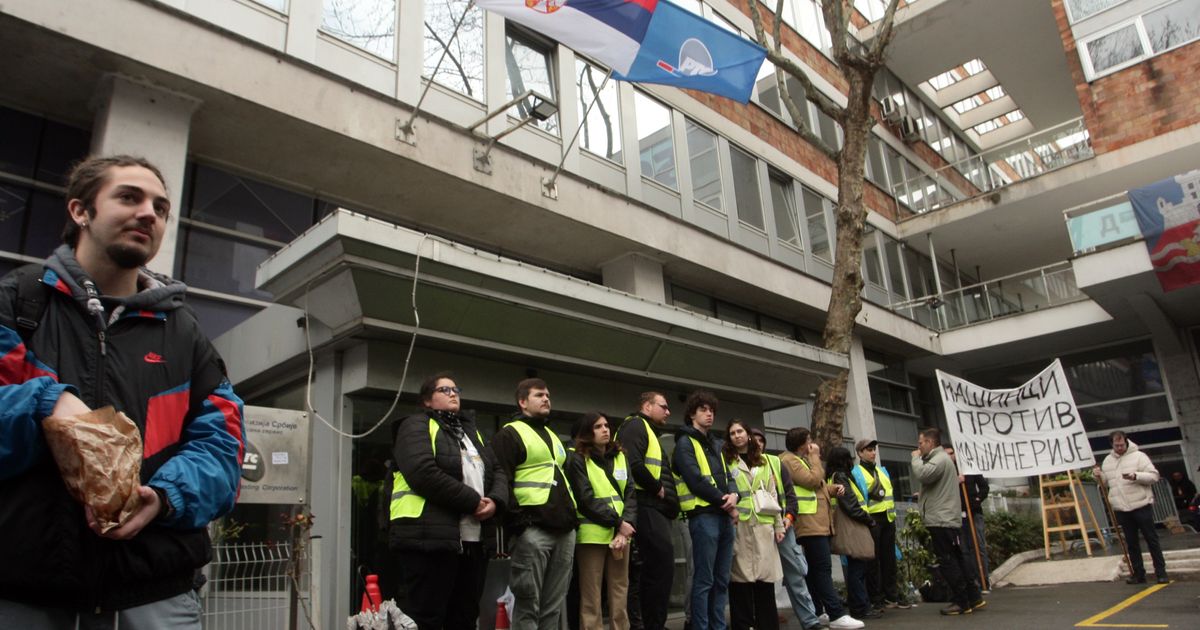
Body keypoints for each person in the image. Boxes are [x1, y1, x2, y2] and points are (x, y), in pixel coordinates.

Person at [0, 155, 245, 628]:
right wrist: (46, 404)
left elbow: (224, 446)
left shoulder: (186, 335)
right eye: (129, 197)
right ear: (80, 212)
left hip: (155, 598)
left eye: (160, 206)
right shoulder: (17, 302)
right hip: (20, 598)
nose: (149, 213)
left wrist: (167, 496)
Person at [388, 373, 505, 629]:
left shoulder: (471, 433)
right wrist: (473, 502)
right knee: (426, 618)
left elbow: (498, 471)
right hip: (429, 540)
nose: (453, 393)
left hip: (473, 541)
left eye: (456, 389)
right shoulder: (414, 425)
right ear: (427, 401)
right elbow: (422, 473)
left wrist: (495, 501)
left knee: (464, 617)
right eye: (445, 389)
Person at [492, 378, 579, 629]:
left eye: (548, 395)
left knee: (552, 607)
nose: (546, 399)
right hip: (533, 532)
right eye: (539, 395)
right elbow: (501, 482)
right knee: (529, 604)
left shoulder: (552, 435)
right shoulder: (509, 434)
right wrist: (519, 525)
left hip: (564, 531)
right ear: (522, 402)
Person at [779, 427, 863, 630]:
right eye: (809, 440)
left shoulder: (801, 460)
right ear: (802, 444)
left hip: (815, 522)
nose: (813, 444)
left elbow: (817, 484)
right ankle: (836, 614)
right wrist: (816, 456)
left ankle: (818, 611)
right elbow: (811, 480)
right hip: (808, 523)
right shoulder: (789, 460)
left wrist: (832, 490)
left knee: (813, 571)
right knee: (822, 569)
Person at [672, 391, 738, 630]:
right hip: (703, 517)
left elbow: (728, 476)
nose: (709, 414)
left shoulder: (717, 444)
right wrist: (726, 501)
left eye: (711, 410)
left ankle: (718, 626)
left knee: (721, 580)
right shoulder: (684, 443)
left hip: (721, 517)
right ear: (692, 414)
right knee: (704, 580)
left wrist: (735, 494)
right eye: (703, 410)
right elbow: (695, 480)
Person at [566, 411, 636, 630]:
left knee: (620, 589)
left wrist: (626, 528)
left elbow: (631, 494)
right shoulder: (577, 459)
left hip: (621, 535)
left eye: (606, 425)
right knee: (591, 595)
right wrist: (619, 524)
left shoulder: (621, 456)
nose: (605, 429)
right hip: (592, 536)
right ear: (587, 432)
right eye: (598, 427)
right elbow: (586, 499)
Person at [615, 391, 678, 630]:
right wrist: (658, 488)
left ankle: (653, 623)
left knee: (656, 569)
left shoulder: (647, 430)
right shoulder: (635, 426)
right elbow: (633, 463)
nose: (668, 411)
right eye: (664, 406)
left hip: (653, 508)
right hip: (646, 505)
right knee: (659, 568)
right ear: (647, 406)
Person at [751, 429, 820, 630]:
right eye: (754, 440)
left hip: (783, 526)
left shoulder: (774, 462)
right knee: (760, 577)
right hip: (757, 528)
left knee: (795, 574)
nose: (758, 444)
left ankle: (810, 621)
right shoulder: (739, 465)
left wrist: (788, 517)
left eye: (761, 441)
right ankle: (763, 620)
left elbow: (790, 495)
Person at [911, 428, 983, 616]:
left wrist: (915, 458)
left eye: (920, 443)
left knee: (948, 560)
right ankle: (973, 596)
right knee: (958, 558)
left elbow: (923, 474)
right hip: (946, 517)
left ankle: (961, 601)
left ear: (930, 443)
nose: (918, 447)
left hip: (941, 519)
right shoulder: (942, 459)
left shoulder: (939, 459)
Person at [724, 421, 785, 630]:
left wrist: (779, 526)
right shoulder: (727, 461)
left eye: (740, 431)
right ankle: (743, 625)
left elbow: (773, 493)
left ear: (748, 434)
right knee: (740, 579)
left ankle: (767, 625)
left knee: (764, 579)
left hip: (763, 524)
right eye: (732, 433)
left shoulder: (764, 462)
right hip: (739, 524)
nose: (736, 436)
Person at [1094, 431, 1168, 584]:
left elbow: (1154, 476)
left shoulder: (1139, 456)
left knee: (1151, 540)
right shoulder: (1108, 460)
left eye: (1122, 444)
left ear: (1127, 442)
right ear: (1112, 445)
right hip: (1121, 508)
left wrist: (1136, 476)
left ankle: (1161, 573)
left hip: (1141, 504)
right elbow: (1106, 483)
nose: (1120, 447)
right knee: (1131, 543)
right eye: (1117, 445)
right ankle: (1138, 574)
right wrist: (1098, 475)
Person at [851, 439, 907, 611]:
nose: (873, 452)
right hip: (872, 520)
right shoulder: (856, 472)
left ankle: (892, 596)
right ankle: (876, 598)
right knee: (872, 561)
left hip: (888, 519)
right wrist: (867, 520)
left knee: (889, 560)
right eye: (868, 450)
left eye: (873, 449)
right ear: (859, 453)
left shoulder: (882, 471)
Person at [826, 447, 875, 623]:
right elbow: (850, 504)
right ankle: (860, 607)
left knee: (856, 567)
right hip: (853, 525)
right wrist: (868, 519)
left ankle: (860, 605)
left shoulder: (833, 476)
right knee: (858, 567)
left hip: (848, 524)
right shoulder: (840, 476)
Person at [944, 445, 990, 592]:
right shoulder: (945, 472)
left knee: (978, 547)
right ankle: (973, 581)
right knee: (964, 549)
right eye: (947, 455)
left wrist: (976, 500)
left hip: (974, 513)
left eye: (951, 453)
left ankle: (984, 581)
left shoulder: (969, 468)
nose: (950, 457)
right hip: (957, 515)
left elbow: (984, 487)